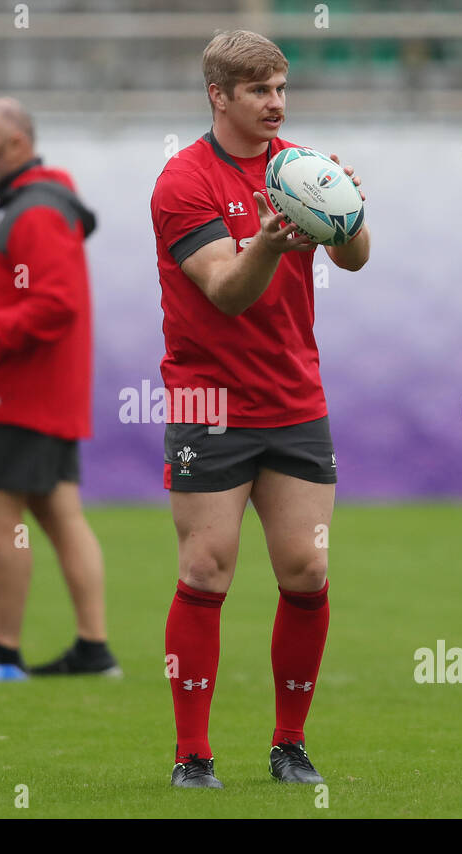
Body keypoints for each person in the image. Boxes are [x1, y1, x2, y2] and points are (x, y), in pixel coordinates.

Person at [149, 31, 370, 787]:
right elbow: (226, 293)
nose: (276, 103)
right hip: (208, 398)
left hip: (293, 395)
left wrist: (347, 209)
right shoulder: (183, 182)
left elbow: (356, 257)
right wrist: (271, 244)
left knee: (307, 569)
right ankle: (192, 754)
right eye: (259, 91)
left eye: (281, 88)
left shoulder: (298, 169)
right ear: (219, 96)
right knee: (206, 568)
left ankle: (289, 743)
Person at [0, 97, 119, 680]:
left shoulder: (35, 211)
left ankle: (4, 654)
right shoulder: (30, 205)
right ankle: (93, 651)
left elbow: (54, 304)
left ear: (14, 146)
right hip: (39, 392)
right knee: (60, 510)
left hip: (17, 394)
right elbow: (18, 285)